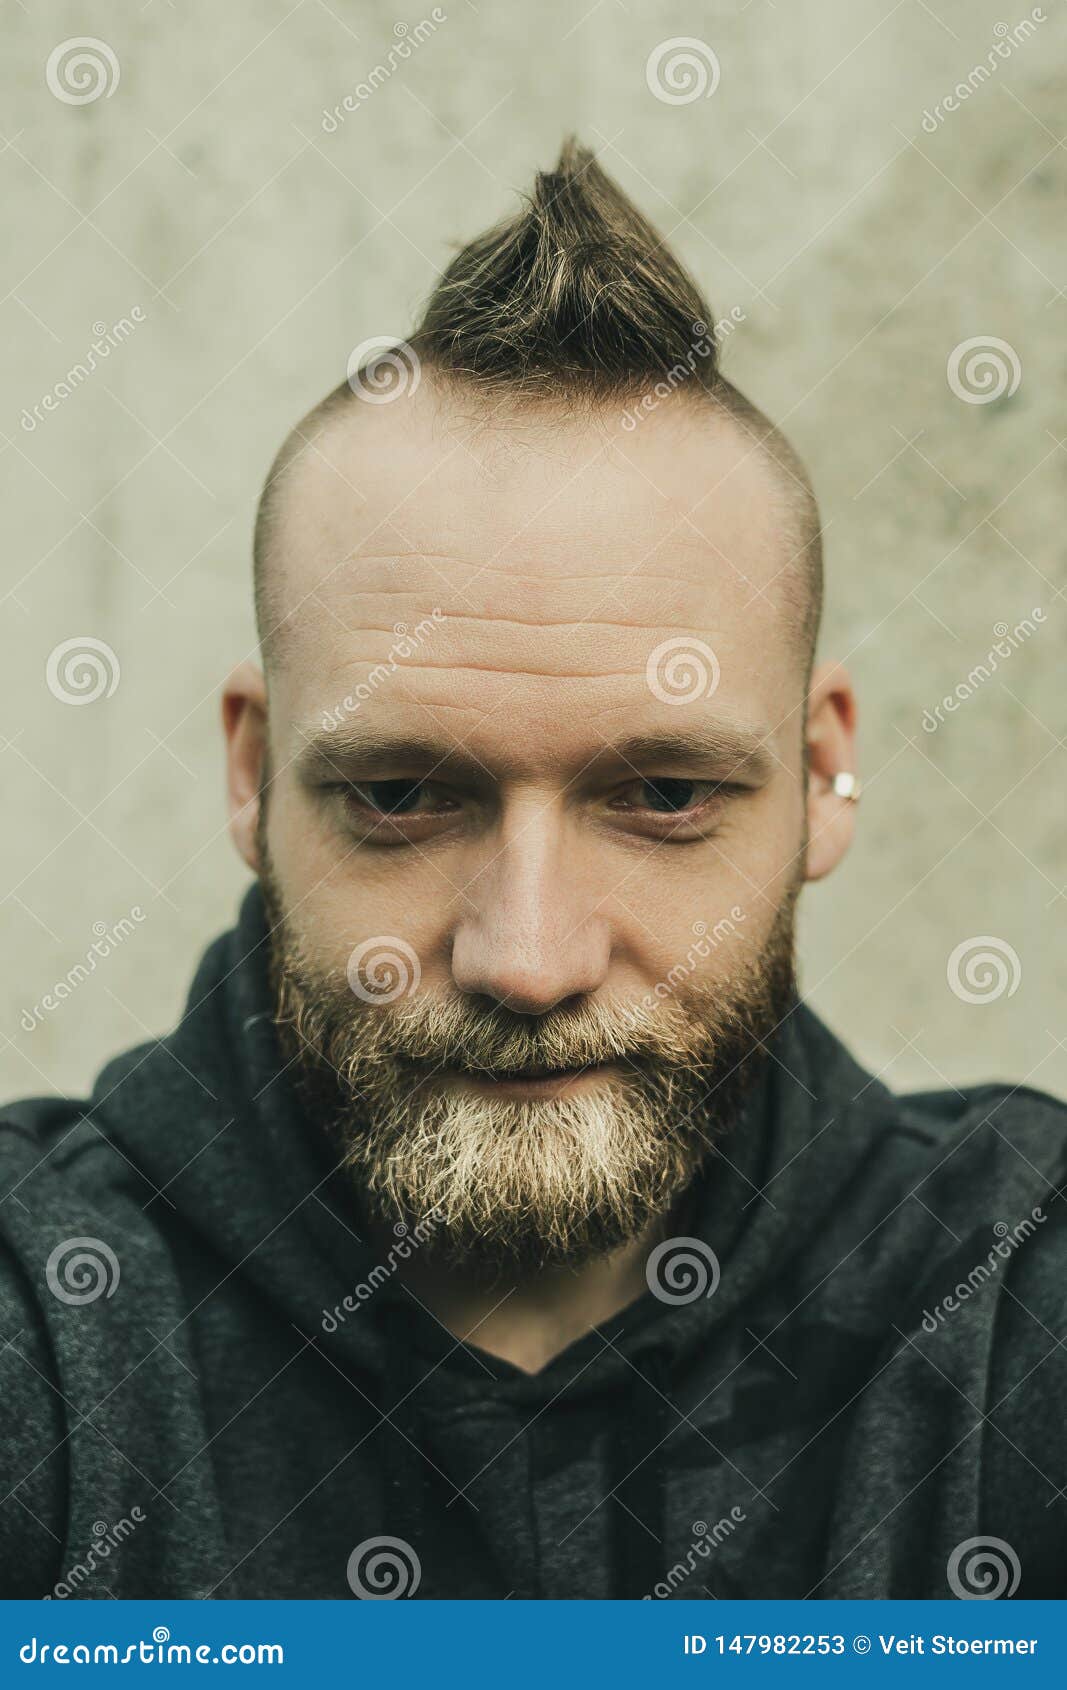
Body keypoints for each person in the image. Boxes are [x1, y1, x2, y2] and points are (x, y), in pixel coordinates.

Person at [1, 141, 1064, 1602]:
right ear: (251, 773)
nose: (528, 956)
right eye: (399, 795)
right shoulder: (46, 1329)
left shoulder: (1019, 1311)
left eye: (667, 794)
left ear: (823, 776)